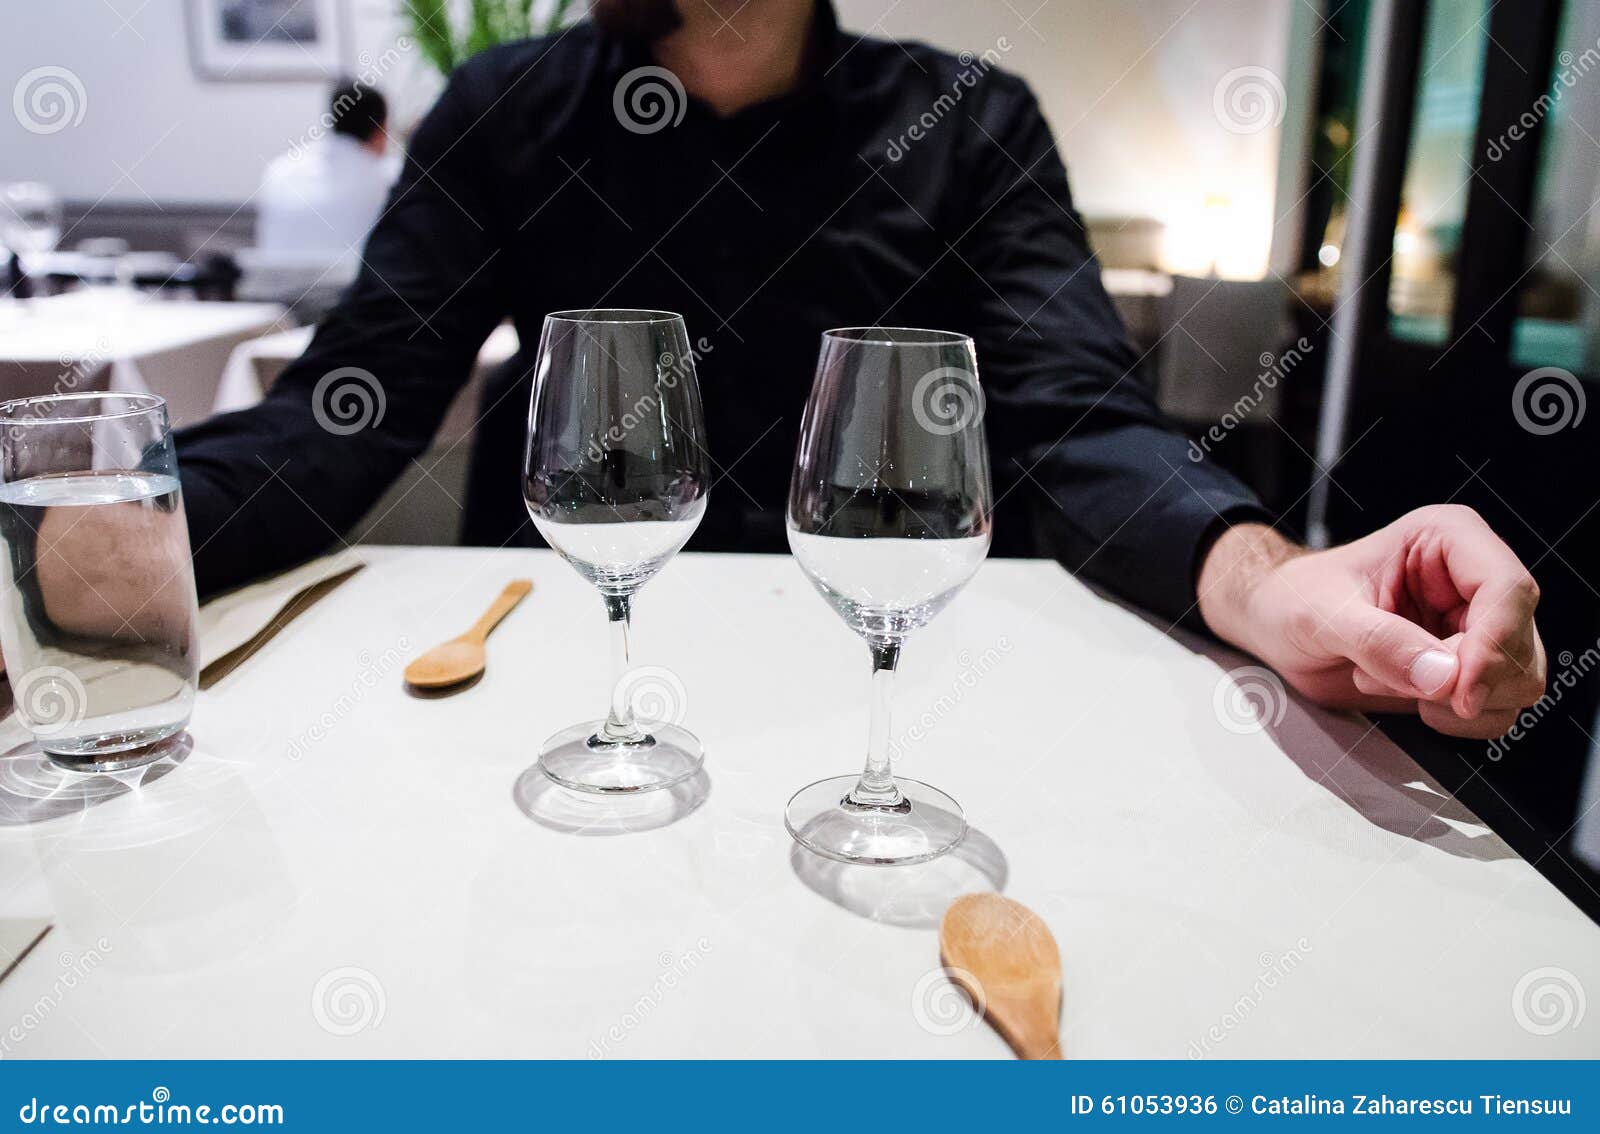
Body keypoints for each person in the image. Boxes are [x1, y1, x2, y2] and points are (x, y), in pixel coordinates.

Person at [162, 0, 1540, 740]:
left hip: (899, 702)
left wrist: (1273, 579)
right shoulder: (505, 110)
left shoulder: (968, 123)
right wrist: (109, 535)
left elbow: (1078, 429)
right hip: (565, 690)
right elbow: (344, 415)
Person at [252, 78, 401, 260]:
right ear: (381, 129)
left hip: (275, 277)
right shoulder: (389, 178)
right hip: (352, 277)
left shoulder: (279, 170)